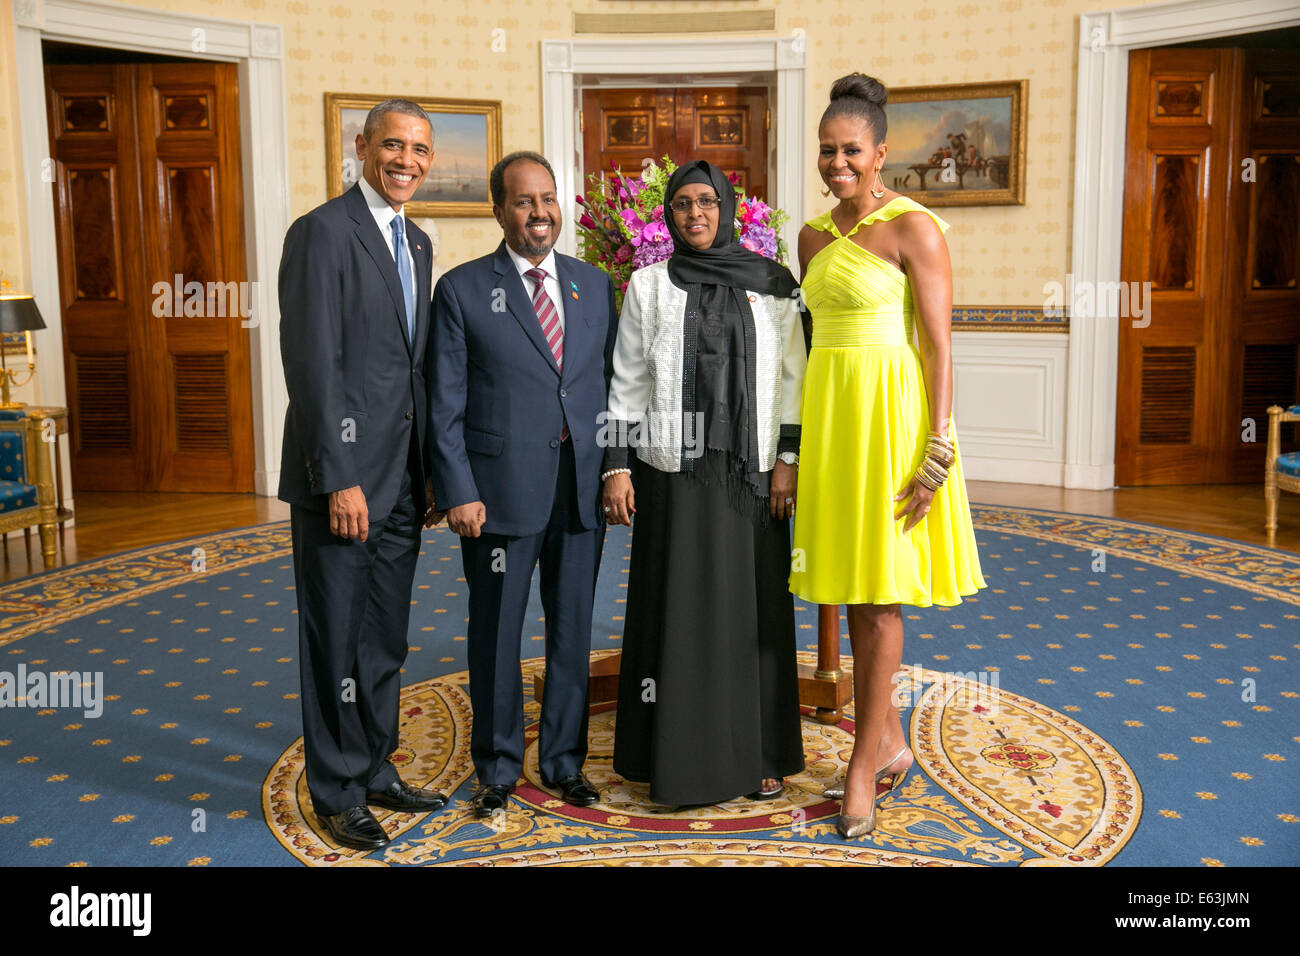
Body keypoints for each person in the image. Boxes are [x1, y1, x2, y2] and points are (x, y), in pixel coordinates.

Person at [789, 74, 986, 837]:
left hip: (895, 424)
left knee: (879, 597)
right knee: (843, 582)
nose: (837, 163)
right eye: (827, 151)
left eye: (851, 151)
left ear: (881, 153)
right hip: (832, 418)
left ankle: (862, 764)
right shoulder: (809, 237)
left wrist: (938, 447)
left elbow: (938, 345)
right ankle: (893, 738)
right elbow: (804, 343)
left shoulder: (916, 228)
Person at [602, 160, 807, 807]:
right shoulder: (648, 286)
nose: (696, 214)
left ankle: (761, 752)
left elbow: (795, 377)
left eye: (708, 202)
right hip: (674, 477)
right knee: (679, 616)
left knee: (754, 619)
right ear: (669, 213)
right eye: (684, 203)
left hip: (751, 477)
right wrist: (615, 466)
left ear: (728, 208)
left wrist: (788, 461)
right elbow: (627, 381)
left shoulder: (771, 285)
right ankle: (670, 754)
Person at [278, 98, 448, 852]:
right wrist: (337, 476)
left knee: (383, 642)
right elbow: (313, 367)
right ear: (360, 146)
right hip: (343, 482)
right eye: (392, 145)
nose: (405, 160)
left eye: (417, 149)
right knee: (335, 643)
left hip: (403, 484)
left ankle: (375, 766)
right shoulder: (320, 233)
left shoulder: (417, 243)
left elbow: (412, 371)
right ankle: (336, 788)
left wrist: (430, 474)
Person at [429, 151, 619, 819]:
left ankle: (565, 762)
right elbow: (443, 403)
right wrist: (457, 490)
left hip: (580, 491)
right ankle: (498, 766)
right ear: (498, 210)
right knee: (497, 635)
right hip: (498, 496)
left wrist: (616, 466)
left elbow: (610, 389)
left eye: (547, 199)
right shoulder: (460, 289)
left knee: (572, 633)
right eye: (523, 201)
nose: (539, 213)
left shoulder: (593, 286)